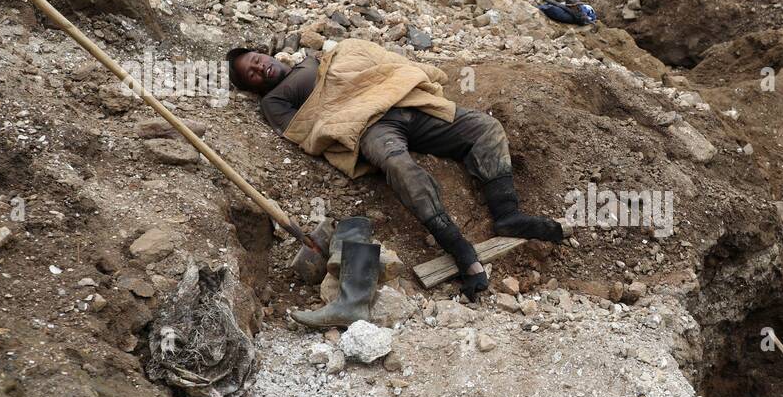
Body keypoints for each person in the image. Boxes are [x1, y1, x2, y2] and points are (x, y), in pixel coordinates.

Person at [227, 40, 563, 302]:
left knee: (485, 128)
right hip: (370, 126)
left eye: (256, 60)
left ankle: (508, 213)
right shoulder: (274, 101)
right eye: (251, 74)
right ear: (253, 86)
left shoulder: (318, 59)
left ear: (264, 53)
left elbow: (371, 58)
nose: (259, 69)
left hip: (404, 102)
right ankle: (461, 250)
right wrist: (347, 104)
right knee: (398, 165)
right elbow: (306, 131)